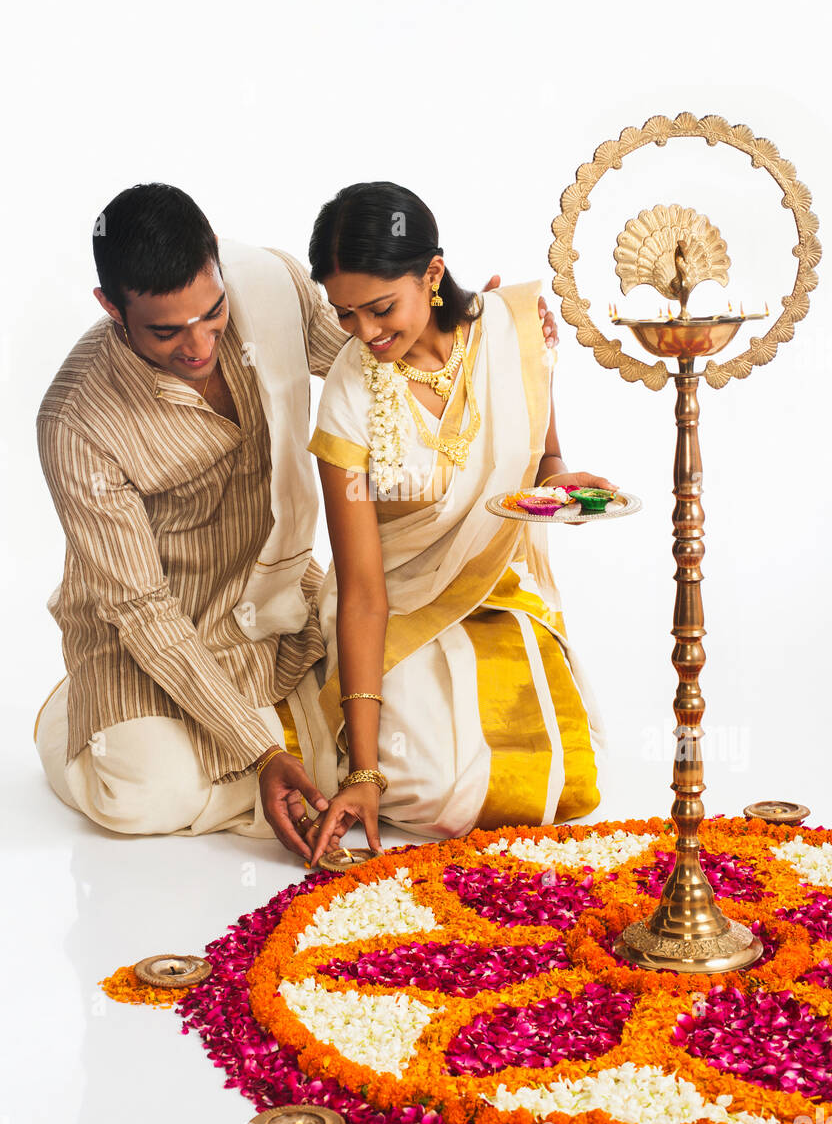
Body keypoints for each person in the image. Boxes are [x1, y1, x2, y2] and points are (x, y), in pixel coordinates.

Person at [34, 182, 561, 859]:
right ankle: (73, 717)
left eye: (212, 312)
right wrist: (261, 755)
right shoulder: (77, 419)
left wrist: (488, 338)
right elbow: (141, 610)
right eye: (166, 331)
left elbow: (368, 350)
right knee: (140, 794)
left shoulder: (271, 285)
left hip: (282, 607)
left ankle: (274, 742)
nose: (198, 345)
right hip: (152, 637)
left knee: (401, 768)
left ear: (218, 263)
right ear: (111, 307)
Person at [304, 182, 615, 865]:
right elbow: (361, 587)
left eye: (381, 308)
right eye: (345, 315)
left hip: (497, 588)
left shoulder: (514, 331)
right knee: (425, 789)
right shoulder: (348, 394)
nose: (365, 335)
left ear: (433, 273)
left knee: (566, 779)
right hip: (394, 608)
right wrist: (361, 773)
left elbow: (546, 459)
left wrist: (562, 485)